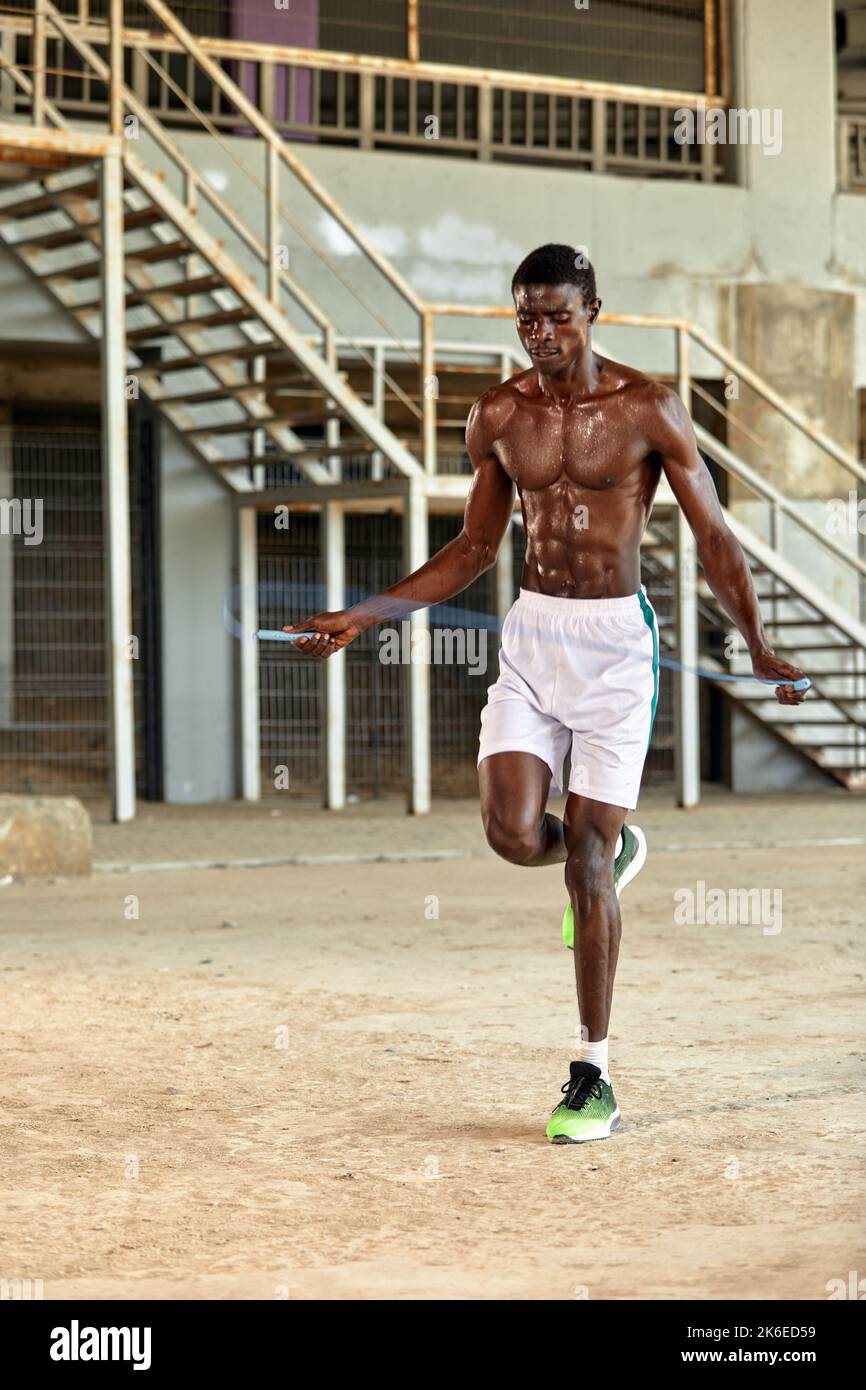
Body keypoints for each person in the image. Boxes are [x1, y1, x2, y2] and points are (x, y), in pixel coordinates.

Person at [284, 243, 807, 1144]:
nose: (541, 332)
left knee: (585, 864)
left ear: (593, 309)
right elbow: (472, 550)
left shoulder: (649, 409)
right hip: (534, 637)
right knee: (513, 832)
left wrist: (754, 640)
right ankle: (605, 850)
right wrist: (367, 615)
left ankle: (592, 1075)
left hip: (612, 648)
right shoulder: (497, 414)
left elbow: (715, 535)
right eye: (526, 316)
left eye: (557, 314)